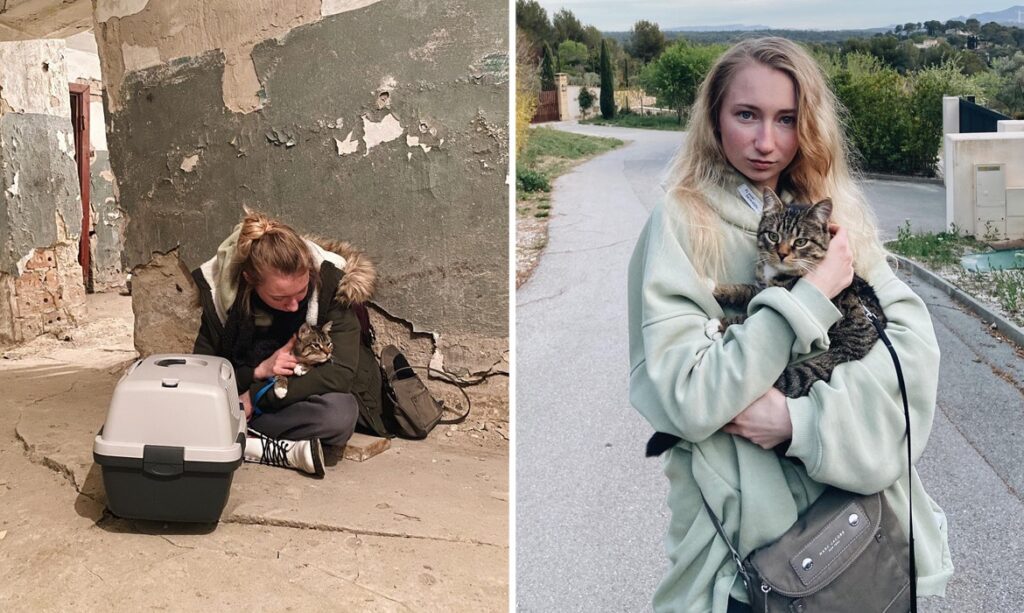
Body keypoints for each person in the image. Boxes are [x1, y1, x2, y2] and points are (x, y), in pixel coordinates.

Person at [627, 38, 952, 612]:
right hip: (747, 561)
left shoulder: (832, 213)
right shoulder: (680, 224)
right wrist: (806, 299)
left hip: (866, 541)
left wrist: (798, 422)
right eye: (746, 115)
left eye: (787, 119)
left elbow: (913, 357)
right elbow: (689, 396)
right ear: (714, 117)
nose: (765, 142)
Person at [192, 209, 383, 478]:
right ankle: (263, 446)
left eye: (301, 292)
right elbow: (203, 373)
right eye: (279, 297)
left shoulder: (334, 286)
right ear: (250, 281)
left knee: (339, 414)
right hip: (240, 394)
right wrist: (258, 372)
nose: (293, 306)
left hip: (292, 397)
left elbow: (339, 374)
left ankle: (238, 439)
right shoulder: (223, 298)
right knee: (190, 405)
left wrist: (257, 394)